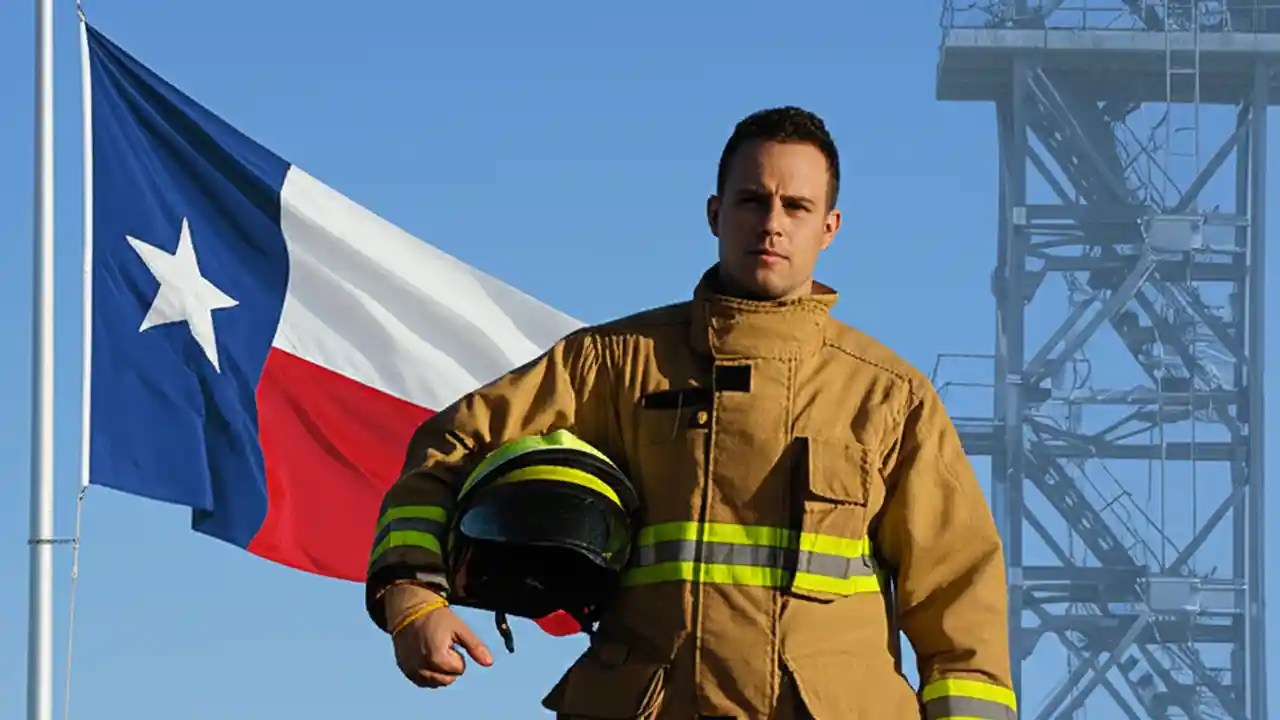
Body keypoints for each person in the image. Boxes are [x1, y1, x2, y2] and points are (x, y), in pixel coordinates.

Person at [364, 106, 1017, 720]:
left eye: (797, 206)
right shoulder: (613, 366)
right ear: (714, 212)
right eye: (752, 200)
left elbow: (959, 601)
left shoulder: (889, 399)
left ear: (829, 228)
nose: (772, 223)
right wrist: (411, 597)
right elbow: (448, 449)